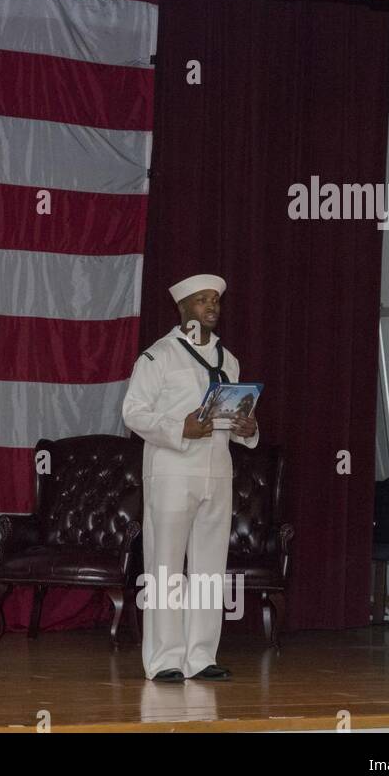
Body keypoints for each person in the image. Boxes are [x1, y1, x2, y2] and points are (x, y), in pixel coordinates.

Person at [121, 273, 259, 684]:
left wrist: (247, 429)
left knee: (209, 568)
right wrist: (179, 428)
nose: (211, 307)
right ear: (182, 308)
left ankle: (200, 656)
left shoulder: (228, 360)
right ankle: (165, 659)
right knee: (165, 565)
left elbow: (231, 418)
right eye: (201, 300)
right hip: (172, 470)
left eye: (215, 300)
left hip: (217, 472)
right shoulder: (157, 357)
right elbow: (133, 411)